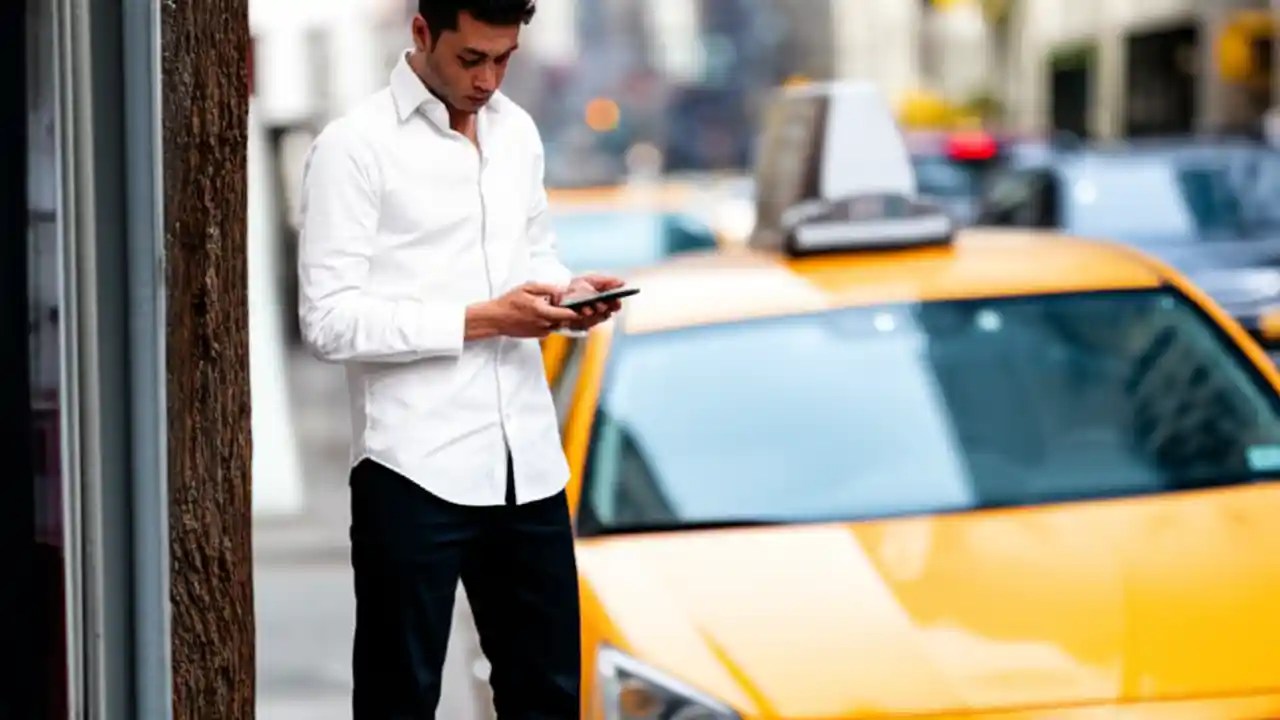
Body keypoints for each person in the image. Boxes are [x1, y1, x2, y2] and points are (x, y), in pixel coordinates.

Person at [296, 1, 625, 717]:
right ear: (422, 33)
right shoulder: (354, 148)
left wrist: (566, 296)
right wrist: (483, 320)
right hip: (412, 467)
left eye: (504, 59)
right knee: (399, 700)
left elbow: (532, 255)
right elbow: (327, 321)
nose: (488, 79)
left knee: (548, 698)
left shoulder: (518, 132)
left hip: (525, 463)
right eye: (471, 58)